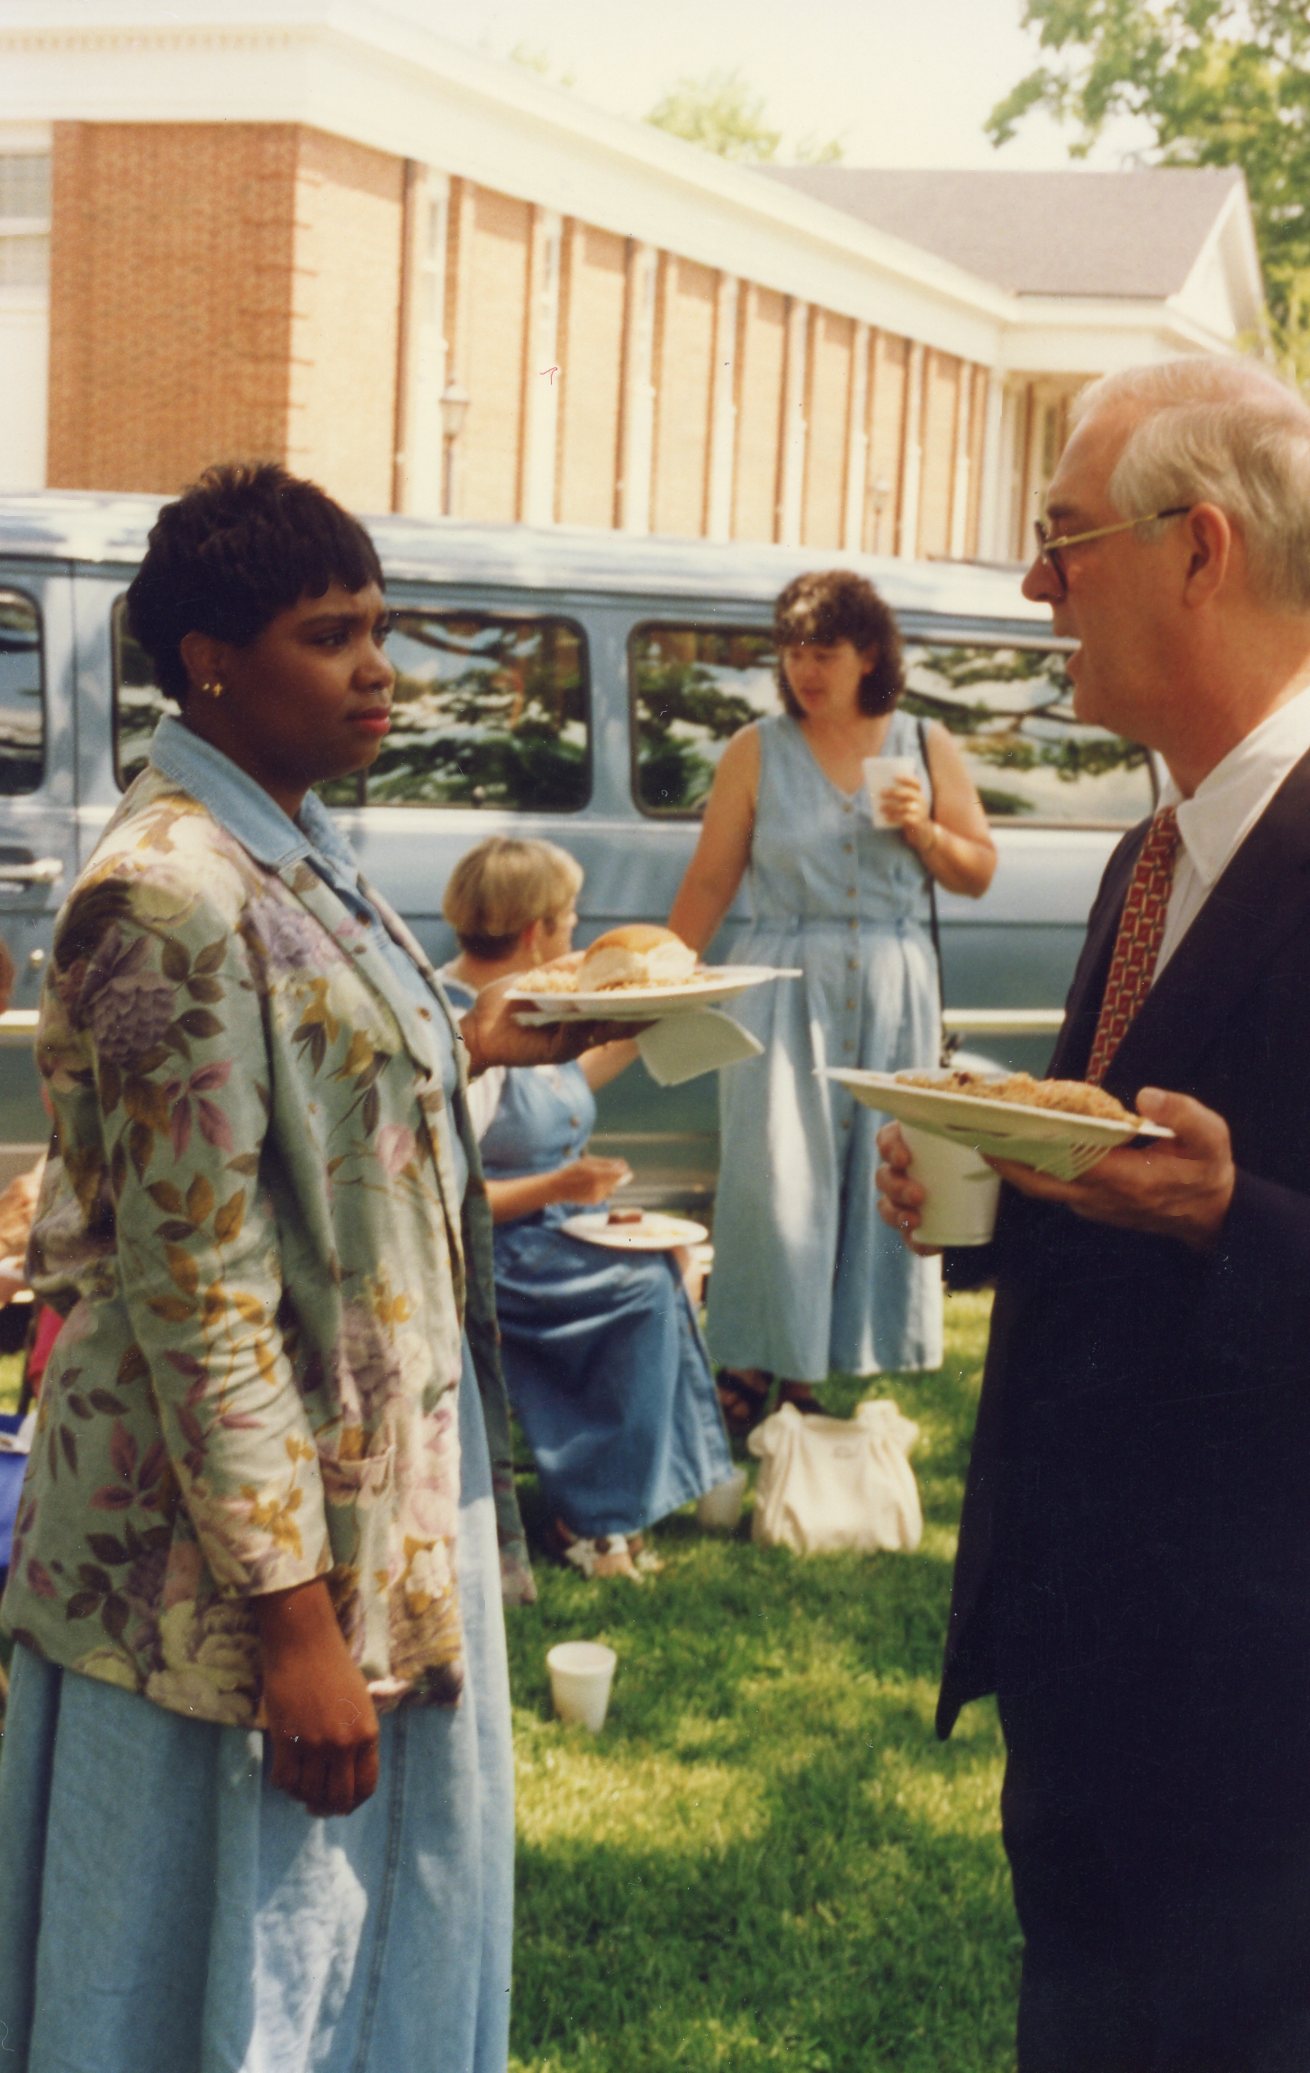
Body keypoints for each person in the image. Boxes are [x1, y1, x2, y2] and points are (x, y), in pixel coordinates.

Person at [0, 463, 625, 2073]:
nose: (376, 669)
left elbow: (317, 1115)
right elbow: (196, 1286)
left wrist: (476, 1041)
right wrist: (291, 1625)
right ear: (210, 658)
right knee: (217, 1971)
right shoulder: (163, 890)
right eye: (329, 633)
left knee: (358, 1951)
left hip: (362, 1495)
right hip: (212, 1564)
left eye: (377, 627)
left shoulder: (287, 834)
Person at [877, 357, 1310, 2073]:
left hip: (1263, 1719)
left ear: (1198, 548)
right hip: (1090, 1676)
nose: (1031, 586)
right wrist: (990, 1189)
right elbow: (1126, 1169)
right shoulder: (1150, 856)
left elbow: (1223, 1210)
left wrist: (1230, 1216)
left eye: (1062, 541)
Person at [668, 569, 995, 1434]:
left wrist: (925, 829)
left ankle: (815, 1373)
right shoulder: (756, 748)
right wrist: (662, 978)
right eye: (793, 651)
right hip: (786, 981)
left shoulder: (924, 743)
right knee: (776, 1177)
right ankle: (753, 1362)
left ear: (870, 654)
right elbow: (710, 879)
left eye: (826, 651)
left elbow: (977, 872)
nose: (806, 669)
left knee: (873, 1173)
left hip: (891, 985)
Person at [441, 836, 733, 1582]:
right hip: (490, 1254)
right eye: (569, 916)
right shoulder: (465, 1026)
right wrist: (559, 1186)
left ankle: (627, 1499)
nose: (576, 928)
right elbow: (450, 1199)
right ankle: (591, 1516)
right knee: (644, 1289)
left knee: (668, 1261)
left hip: (538, 1236)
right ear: (534, 930)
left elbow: (560, 1078)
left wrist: (647, 1016)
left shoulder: (527, 1006)